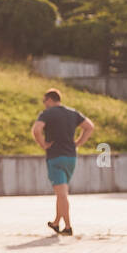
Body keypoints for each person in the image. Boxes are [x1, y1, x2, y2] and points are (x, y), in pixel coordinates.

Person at [32, 88, 95, 236]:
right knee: (62, 193)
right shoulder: (72, 113)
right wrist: (78, 143)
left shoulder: (47, 114)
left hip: (55, 157)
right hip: (71, 158)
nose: (44, 104)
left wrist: (43, 144)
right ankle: (56, 222)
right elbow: (89, 127)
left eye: (44, 101)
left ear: (50, 99)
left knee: (62, 194)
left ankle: (67, 227)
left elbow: (36, 130)